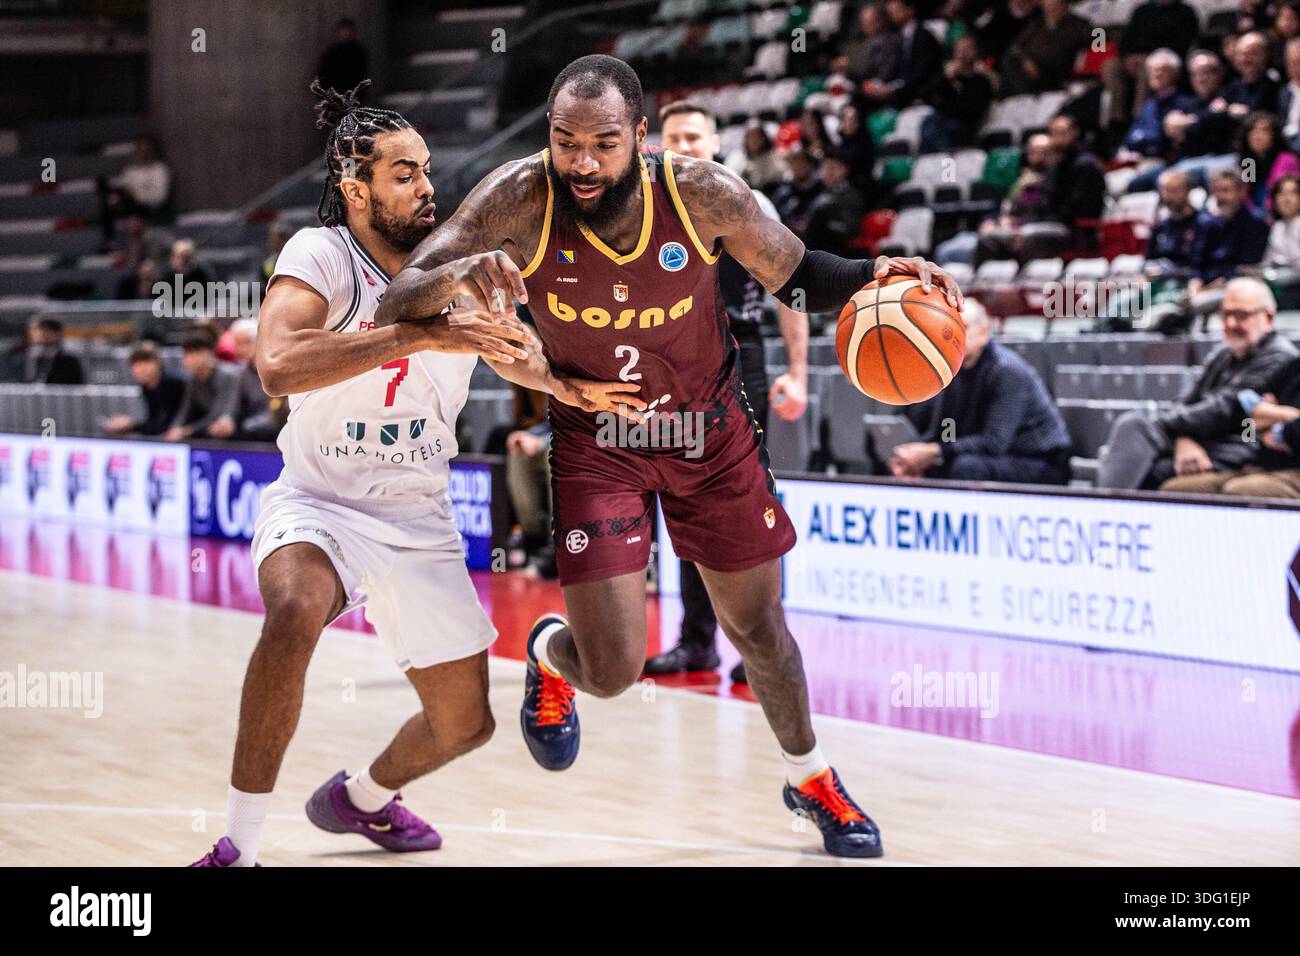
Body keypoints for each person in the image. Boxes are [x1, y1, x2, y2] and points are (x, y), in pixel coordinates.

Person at [375, 54, 965, 859]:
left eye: (604, 143)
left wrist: (873, 274)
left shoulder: (702, 193)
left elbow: (794, 277)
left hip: (708, 433)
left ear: (640, 139)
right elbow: (396, 295)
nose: (582, 162)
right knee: (614, 671)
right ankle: (552, 650)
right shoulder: (518, 195)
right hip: (597, 441)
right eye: (565, 140)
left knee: (759, 626)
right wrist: (458, 271)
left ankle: (811, 775)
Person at [189, 79, 631, 868]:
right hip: (320, 501)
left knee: (466, 723)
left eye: (426, 169)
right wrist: (423, 336)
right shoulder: (319, 254)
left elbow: (514, 351)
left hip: (418, 517)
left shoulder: (461, 262)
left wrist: (565, 382)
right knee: (294, 609)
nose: (427, 186)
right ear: (354, 189)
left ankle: (360, 800)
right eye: (404, 174)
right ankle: (238, 848)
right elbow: (279, 365)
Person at [643, 99, 811, 684]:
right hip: (675, 370)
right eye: (673, 137)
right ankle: (696, 642)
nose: (684, 147)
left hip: (743, 360)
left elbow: (792, 290)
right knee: (684, 496)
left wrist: (799, 371)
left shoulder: (747, 203)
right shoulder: (646, 211)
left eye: (694, 136)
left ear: (715, 144)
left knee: (748, 498)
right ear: (655, 146)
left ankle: (763, 643)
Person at [1098, 277, 1298, 490]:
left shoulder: (1280, 355)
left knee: (1154, 468)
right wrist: (1182, 437)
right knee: (1133, 427)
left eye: (1241, 316)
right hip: (1204, 439)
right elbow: (1183, 400)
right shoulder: (1224, 353)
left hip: (1242, 443)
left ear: (1268, 317)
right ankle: (1106, 513)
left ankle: (1108, 510)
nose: (1230, 324)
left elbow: (1230, 408)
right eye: (1226, 314)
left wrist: (1165, 424)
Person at [889, 300, 1072, 484]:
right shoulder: (951, 370)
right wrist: (914, 453)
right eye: (950, 328)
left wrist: (933, 451)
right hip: (996, 456)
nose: (955, 336)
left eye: (964, 328)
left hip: (1041, 460)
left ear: (984, 332)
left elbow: (994, 443)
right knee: (919, 465)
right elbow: (947, 429)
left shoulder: (1007, 370)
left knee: (965, 467)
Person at [1104, 0, 1202, 131]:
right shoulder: (1142, 10)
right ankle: (1115, 120)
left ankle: (1139, 117)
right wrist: (1127, 57)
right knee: (1111, 66)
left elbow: (1183, 43)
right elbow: (1126, 39)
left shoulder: (1186, 12)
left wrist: (1148, 55)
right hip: (1135, 59)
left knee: (1149, 67)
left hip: (1166, 57)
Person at [919, 34, 994, 153]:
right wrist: (946, 78)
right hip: (942, 122)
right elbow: (927, 96)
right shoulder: (947, 79)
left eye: (967, 49)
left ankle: (942, 162)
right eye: (959, 49)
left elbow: (970, 109)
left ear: (975, 52)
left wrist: (947, 104)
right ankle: (929, 163)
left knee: (944, 127)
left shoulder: (980, 81)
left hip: (964, 127)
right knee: (929, 121)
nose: (962, 53)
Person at [999, 0, 1092, 96]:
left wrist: (1100, 47)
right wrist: (1026, 59)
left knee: (1009, 63)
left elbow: (1098, 33)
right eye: (1047, 6)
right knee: (1008, 60)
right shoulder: (1038, 24)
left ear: (1064, 7)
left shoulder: (1076, 25)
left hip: (1050, 69)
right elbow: (1016, 45)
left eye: (1053, 6)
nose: (1048, 9)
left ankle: (1025, 96)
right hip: (1027, 63)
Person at [862, 0, 945, 107]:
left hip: (921, 95)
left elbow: (923, 72)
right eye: (891, 9)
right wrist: (879, 84)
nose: (892, 11)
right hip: (899, 92)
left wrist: (894, 87)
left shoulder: (924, 36)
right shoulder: (898, 37)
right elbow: (894, 69)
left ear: (910, 10)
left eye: (897, 8)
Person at [163, 331, 241, 441]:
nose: (192, 359)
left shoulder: (227, 375)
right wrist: (175, 427)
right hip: (208, 426)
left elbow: (218, 412)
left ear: (210, 353)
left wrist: (188, 430)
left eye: (197, 353)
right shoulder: (193, 379)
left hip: (232, 423)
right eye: (188, 354)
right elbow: (186, 409)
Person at [96, 136, 171, 242]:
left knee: (125, 204)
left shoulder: (159, 170)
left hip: (148, 207)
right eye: (140, 151)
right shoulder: (131, 170)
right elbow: (122, 186)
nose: (143, 154)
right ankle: (108, 238)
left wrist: (135, 194)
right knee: (110, 194)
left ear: (153, 151)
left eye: (146, 151)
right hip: (128, 204)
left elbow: (159, 197)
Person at [103, 341, 185, 437]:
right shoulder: (146, 386)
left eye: (145, 362)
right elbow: (153, 420)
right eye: (136, 364)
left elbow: (165, 425)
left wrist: (130, 425)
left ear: (158, 363)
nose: (140, 369)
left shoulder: (173, 384)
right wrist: (127, 424)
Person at [226, 318, 287, 441]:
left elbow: (278, 407)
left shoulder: (278, 367)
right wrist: (227, 419)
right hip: (252, 425)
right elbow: (233, 404)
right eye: (238, 343)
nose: (242, 349)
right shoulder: (241, 372)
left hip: (276, 424)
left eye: (247, 342)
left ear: (260, 341)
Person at [831, 1, 901, 92]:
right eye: (863, 22)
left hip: (878, 86)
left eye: (868, 22)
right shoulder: (866, 41)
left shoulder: (889, 41)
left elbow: (881, 73)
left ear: (880, 22)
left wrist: (849, 66)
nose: (864, 26)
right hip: (862, 84)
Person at [770, 150, 823, 240]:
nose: (798, 168)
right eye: (795, 164)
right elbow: (776, 215)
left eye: (802, 164)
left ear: (811, 166)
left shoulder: (821, 190)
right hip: (789, 238)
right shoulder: (784, 192)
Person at [315, 18, 368, 102]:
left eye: (347, 30)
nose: (345, 33)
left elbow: (360, 75)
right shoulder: (332, 52)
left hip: (352, 97)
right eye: (343, 30)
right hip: (335, 98)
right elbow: (323, 74)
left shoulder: (358, 52)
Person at [21, 318, 85, 385]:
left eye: (48, 330)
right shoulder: (29, 358)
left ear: (58, 334)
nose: (43, 334)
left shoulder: (69, 360)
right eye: (40, 330)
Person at [724, 124, 786, 192]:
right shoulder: (736, 157)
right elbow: (729, 179)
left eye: (758, 137)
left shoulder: (773, 157)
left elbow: (781, 175)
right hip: (744, 193)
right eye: (751, 137)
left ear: (764, 139)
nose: (755, 140)